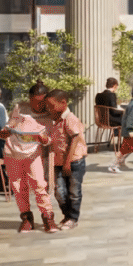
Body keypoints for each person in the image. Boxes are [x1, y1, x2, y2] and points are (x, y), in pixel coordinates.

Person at [0, 81, 58, 233]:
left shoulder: (50, 115)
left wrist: (45, 140)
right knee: (18, 187)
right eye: (35, 101)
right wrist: (6, 130)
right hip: (12, 151)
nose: (38, 105)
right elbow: (11, 123)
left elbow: (50, 138)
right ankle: (26, 218)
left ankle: (48, 217)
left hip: (33, 153)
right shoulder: (20, 107)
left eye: (42, 102)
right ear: (30, 98)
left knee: (39, 184)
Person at [44, 89, 87, 230]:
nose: (49, 109)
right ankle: (67, 215)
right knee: (59, 191)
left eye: (51, 106)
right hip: (59, 162)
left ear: (63, 103)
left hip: (74, 162)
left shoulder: (70, 118)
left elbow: (75, 139)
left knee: (74, 191)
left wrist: (67, 163)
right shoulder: (55, 119)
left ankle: (73, 218)